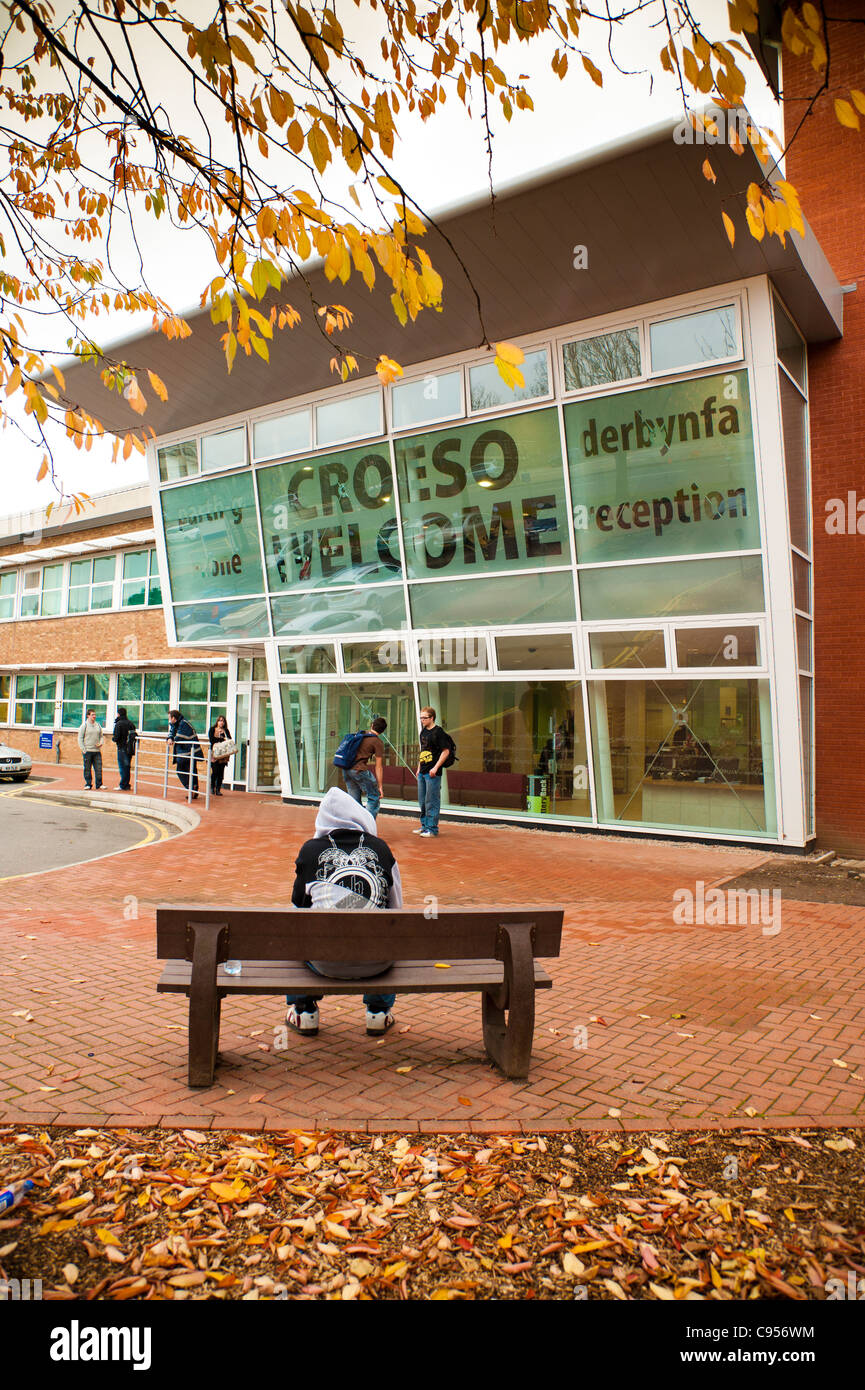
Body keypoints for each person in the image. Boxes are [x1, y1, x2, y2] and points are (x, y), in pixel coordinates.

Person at [285, 787, 402, 1037]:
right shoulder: (382, 850)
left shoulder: (310, 851)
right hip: (376, 963)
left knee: (294, 927)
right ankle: (378, 1012)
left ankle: (304, 1010)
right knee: (389, 933)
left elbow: (298, 907)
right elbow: (397, 911)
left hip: (324, 961)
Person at [343, 715, 387, 820]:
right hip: (359, 770)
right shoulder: (377, 742)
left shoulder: (360, 734)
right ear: (382, 731)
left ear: (372, 725)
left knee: (354, 801)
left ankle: (356, 826)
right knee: (374, 797)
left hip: (346, 769)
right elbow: (379, 767)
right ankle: (367, 825)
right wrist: (380, 786)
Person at [415, 705, 449, 837]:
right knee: (422, 800)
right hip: (423, 771)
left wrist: (436, 767)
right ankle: (424, 826)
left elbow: (446, 751)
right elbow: (423, 751)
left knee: (432, 800)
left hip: (433, 772)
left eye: (425, 718)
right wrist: (418, 767)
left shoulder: (438, 732)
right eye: (421, 718)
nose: (422, 720)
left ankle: (432, 828)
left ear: (432, 718)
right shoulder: (423, 732)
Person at [168, 708, 201, 799]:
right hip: (185, 752)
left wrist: (172, 739)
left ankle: (192, 789)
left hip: (189, 752)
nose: (169, 720)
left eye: (170, 718)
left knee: (185, 770)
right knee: (189, 771)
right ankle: (193, 789)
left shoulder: (183, 723)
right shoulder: (177, 723)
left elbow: (179, 737)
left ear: (174, 718)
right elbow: (172, 733)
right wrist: (170, 738)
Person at [77, 709, 104, 790]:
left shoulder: (98, 725)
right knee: (87, 768)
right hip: (87, 751)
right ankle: (88, 784)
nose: (94, 716)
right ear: (88, 716)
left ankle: (99, 784)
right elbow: (80, 738)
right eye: (92, 715)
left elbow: (101, 736)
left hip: (97, 751)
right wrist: (83, 749)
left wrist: (101, 743)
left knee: (98, 768)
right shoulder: (84, 725)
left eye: (95, 715)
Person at [112, 705, 136, 791]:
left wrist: (113, 739)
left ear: (118, 714)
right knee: (127, 766)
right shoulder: (130, 723)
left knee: (122, 767)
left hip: (122, 748)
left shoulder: (119, 724)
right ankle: (126, 784)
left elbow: (116, 737)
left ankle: (123, 785)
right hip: (130, 749)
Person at [208, 714, 233, 797]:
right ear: (217, 721)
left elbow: (229, 740)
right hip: (214, 754)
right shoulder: (212, 729)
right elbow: (212, 740)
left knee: (221, 773)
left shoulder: (226, 731)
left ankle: (218, 789)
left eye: (223, 721)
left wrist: (222, 738)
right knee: (215, 771)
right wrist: (222, 740)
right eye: (220, 720)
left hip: (223, 755)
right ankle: (212, 787)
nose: (221, 722)